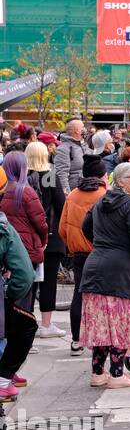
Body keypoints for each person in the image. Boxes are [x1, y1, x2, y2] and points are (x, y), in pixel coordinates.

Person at [79, 162, 130, 389]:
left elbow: (86, 227)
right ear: (121, 180)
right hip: (123, 271)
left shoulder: (100, 201)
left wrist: (103, 246)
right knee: (122, 322)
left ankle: (97, 373)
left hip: (95, 267)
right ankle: (117, 375)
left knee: (100, 324)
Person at [0, 149, 47, 394]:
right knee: (23, 318)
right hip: (24, 255)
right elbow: (41, 222)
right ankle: (5, 373)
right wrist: (42, 241)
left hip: (14, 259)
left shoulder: (7, 193)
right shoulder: (24, 192)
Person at [59, 153, 108, 355]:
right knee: (104, 297)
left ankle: (76, 340)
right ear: (102, 175)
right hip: (102, 253)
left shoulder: (72, 196)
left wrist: (73, 244)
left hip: (78, 253)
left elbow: (62, 227)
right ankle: (102, 339)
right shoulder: (105, 196)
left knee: (79, 295)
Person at [26, 140, 68, 340]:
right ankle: (46, 324)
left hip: (26, 238)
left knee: (27, 283)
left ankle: (27, 322)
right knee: (49, 281)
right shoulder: (50, 175)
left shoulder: (22, 177)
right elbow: (61, 205)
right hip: (50, 236)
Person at [53, 117, 87, 194]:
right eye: (83, 127)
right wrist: (67, 196)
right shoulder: (63, 149)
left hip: (83, 191)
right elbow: (62, 174)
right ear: (77, 131)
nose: (85, 129)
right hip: (74, 194)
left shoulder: (81, 145)